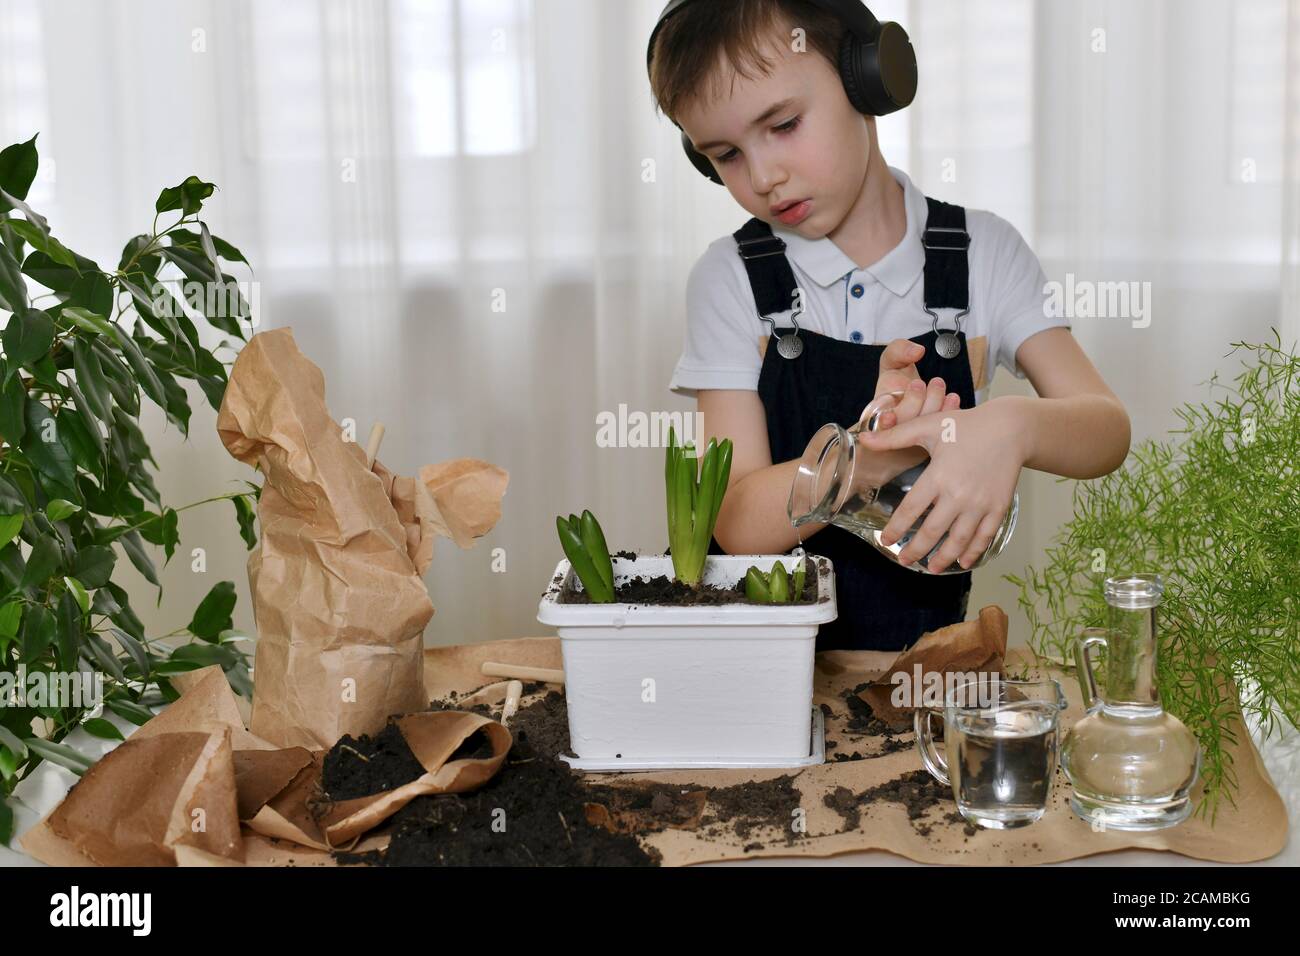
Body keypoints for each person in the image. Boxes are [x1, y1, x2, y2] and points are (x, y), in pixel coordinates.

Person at [646, 0, 1131, 651]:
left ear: (869, 78)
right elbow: (736, 521)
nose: (763, 176)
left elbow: (1106, 430)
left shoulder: (984, 254)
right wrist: (868, 456)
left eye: (784, 124)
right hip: (766, 669)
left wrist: (1008, 426)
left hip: (921, 670)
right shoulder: (730, 278)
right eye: (727, 154)